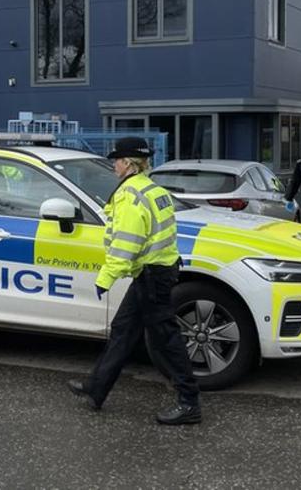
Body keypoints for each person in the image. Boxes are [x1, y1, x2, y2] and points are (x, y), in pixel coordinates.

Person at [68, 136, 201, 425]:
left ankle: (189, 402)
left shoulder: (130, 195)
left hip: (152, 275)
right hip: (155, 272)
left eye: (117, 160)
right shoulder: (153, 189)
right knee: (123, 329)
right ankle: (96, 387)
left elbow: (126, 244)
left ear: (128, 164)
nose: (113, 164)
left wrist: (105, 278)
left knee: (165, 340)